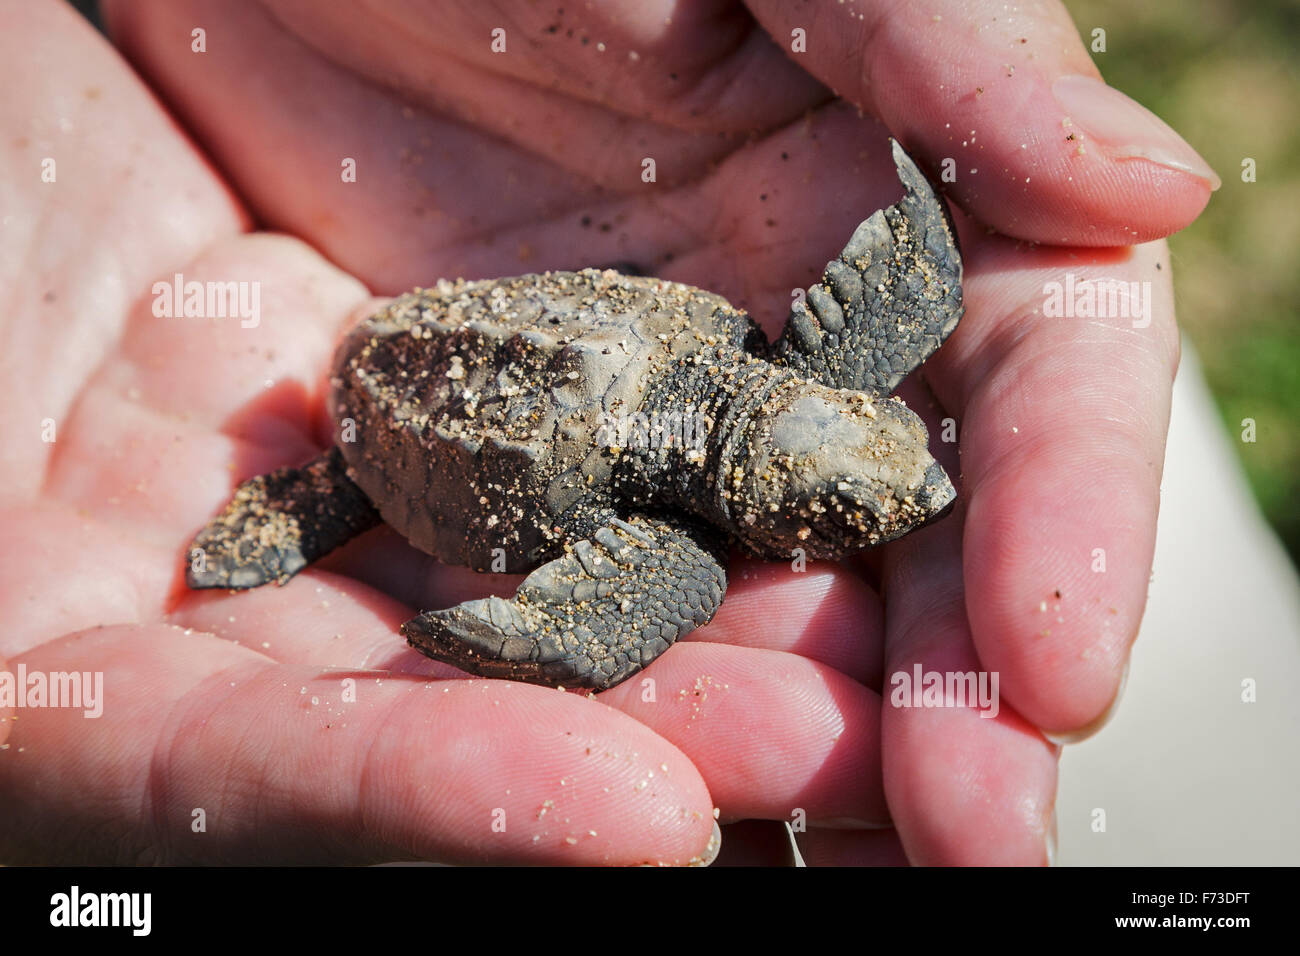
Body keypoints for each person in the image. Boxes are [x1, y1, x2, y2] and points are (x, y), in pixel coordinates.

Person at [0, 0, 1217, 864]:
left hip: (463, 320)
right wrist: (496, 633)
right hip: (394, 428)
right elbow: (569, 636)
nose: (922, 495)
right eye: (865, 505)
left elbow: (921, 276)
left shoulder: (770, 412)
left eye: (885, 484)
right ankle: (315, 501)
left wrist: (927, 180)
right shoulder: (679, 553)